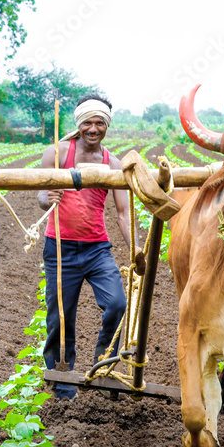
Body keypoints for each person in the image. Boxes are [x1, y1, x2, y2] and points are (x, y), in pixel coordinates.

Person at [38, 93, 133, 400]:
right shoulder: (57, 152)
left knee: (117, 304)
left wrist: (136, 251)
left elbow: (122, 213)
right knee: (60, 317)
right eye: (88, 123)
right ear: (79, 125)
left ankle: (103, 367)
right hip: (60, 247)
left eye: (100, 123)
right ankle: (62, 385)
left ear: (107, 126)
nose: (94, 129)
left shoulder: (113, 163)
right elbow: (40, 196)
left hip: (97, 249)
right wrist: (47, 197)